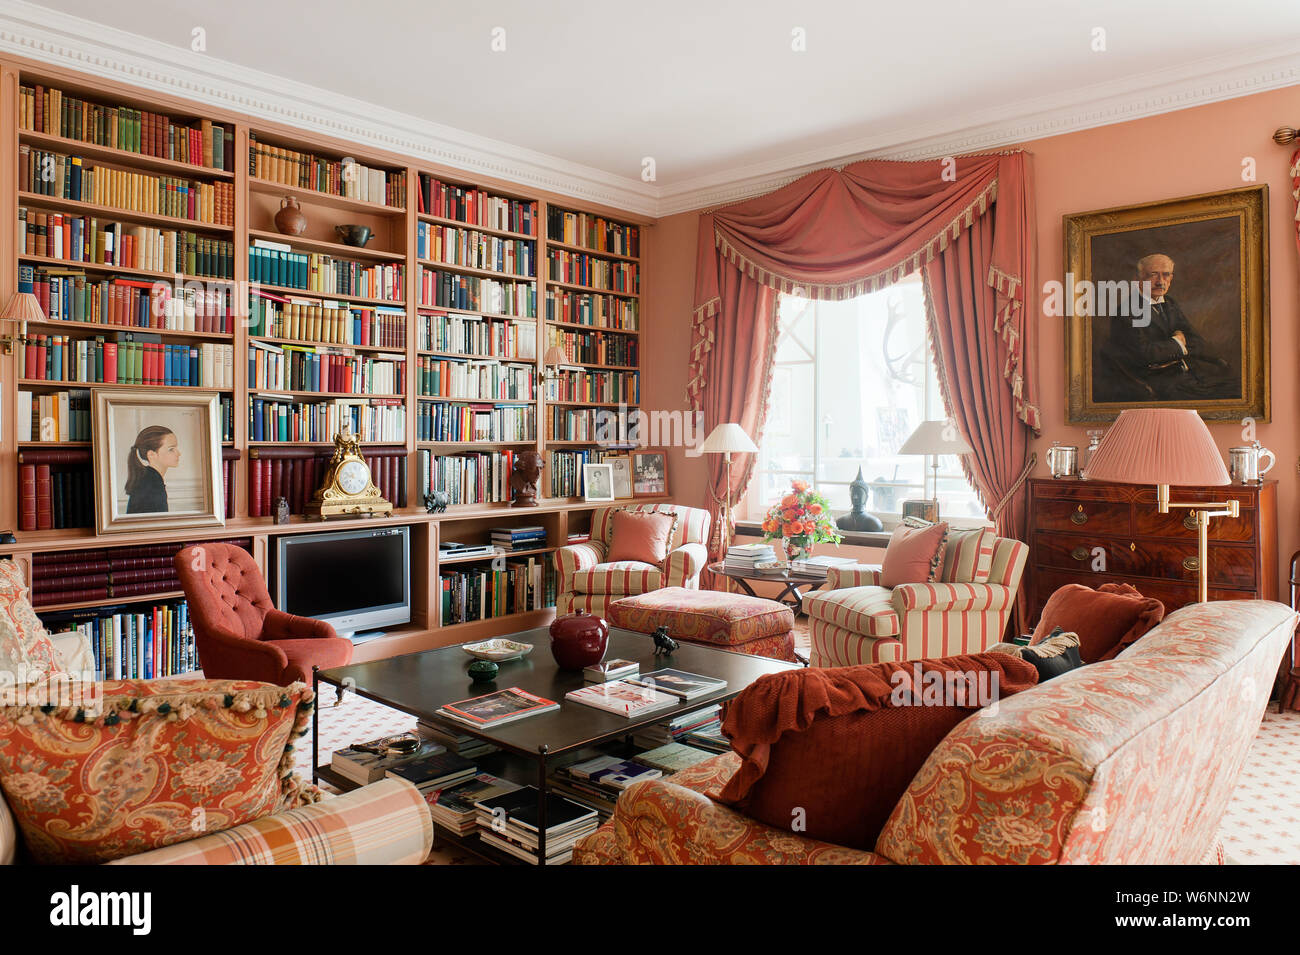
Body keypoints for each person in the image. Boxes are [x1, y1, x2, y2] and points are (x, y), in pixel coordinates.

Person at [1096, 253, 1235, 402]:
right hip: (1159, 383)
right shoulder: (1127, 311)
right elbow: (1144, 355)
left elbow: (1197, 342)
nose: (1160, 281)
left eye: (1166, 275)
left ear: (1171, 278)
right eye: (1153, 275)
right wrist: (1178, 343)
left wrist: (1169, 349)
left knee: (1234, 388)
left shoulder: (1170, 303)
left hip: (1190, 373)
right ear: (1137, 280)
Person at [125, 425, 179, 513]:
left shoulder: (149, 479)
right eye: (171, 449)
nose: (178, 453)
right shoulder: (153, 485)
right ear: (151, 455)